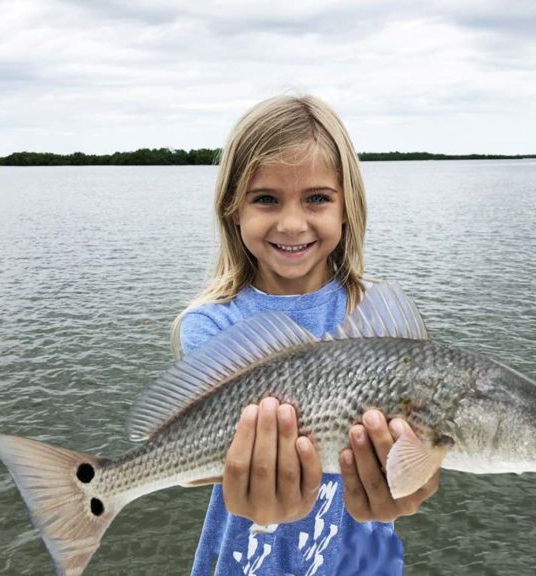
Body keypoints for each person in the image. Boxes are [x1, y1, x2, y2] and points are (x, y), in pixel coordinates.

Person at [171, 94, 440, 576]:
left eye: (317, 198)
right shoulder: (210, 324)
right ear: (234, 210)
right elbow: (209, 454)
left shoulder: (375, 309)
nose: (293, 223)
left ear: (346, 207)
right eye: (266, 198)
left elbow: (414, 455)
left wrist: (409, 487)